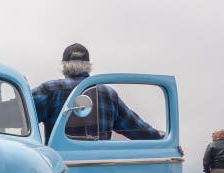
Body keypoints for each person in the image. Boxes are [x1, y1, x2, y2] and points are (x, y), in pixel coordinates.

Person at [32, 43, 162, 143]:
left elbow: (20, 111)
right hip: (100, 171)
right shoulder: (108, 94)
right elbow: (138, 129)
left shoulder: (50, 90)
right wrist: (164, 140)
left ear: (64, 66)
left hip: (63, 170)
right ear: (88, 66)